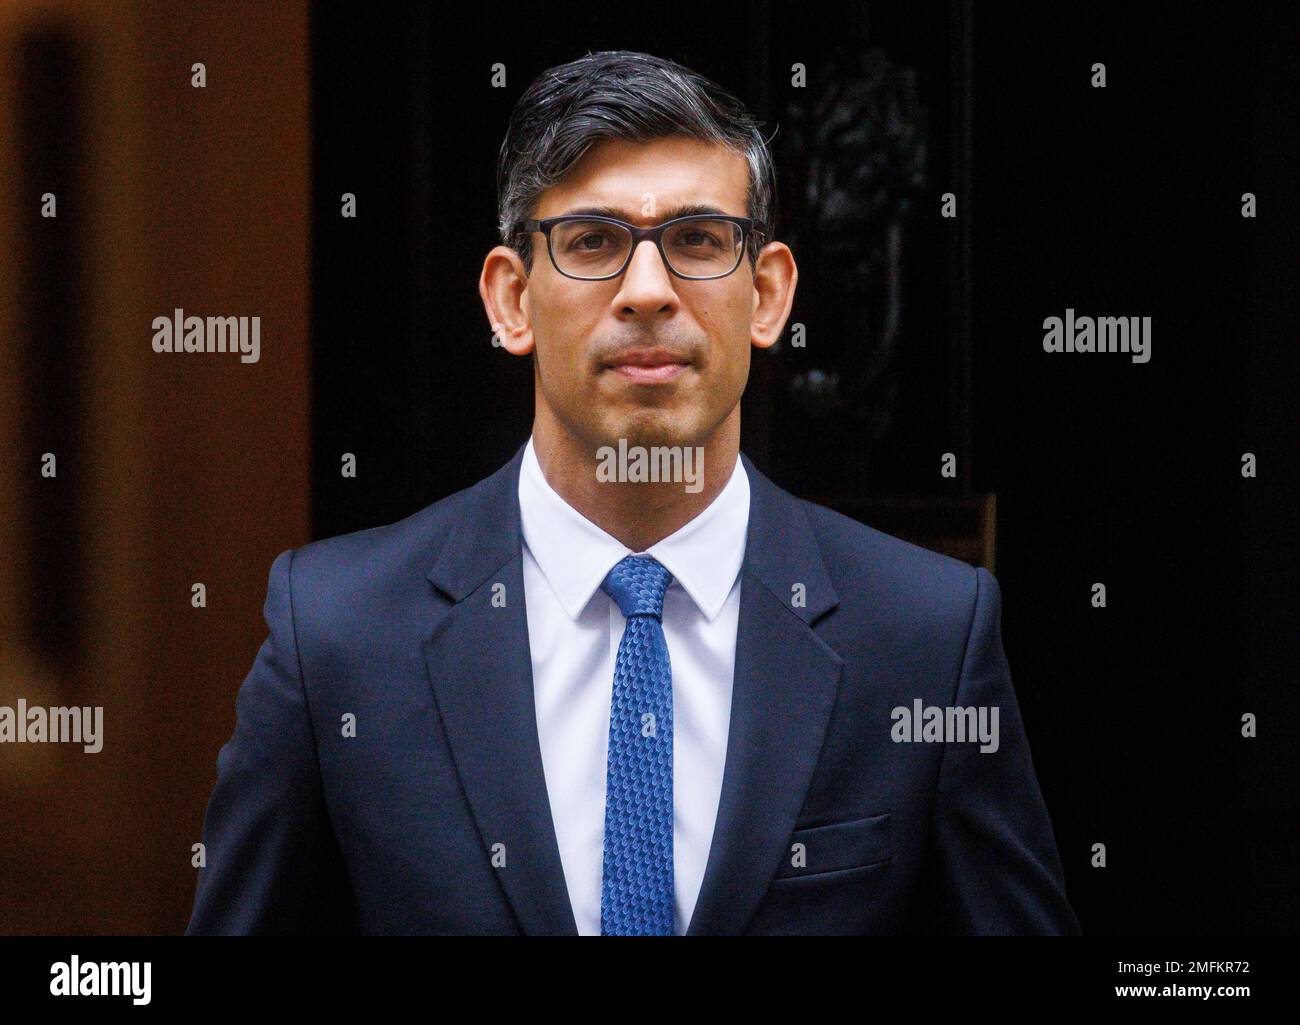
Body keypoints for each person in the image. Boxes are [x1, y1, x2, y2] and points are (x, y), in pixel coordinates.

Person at [187, 50, 1079, 936]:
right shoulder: (339, 633)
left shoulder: (924, 634)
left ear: (767, 294)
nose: (647, 291)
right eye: (592, 242)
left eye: (697, 240)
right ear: (511, 300)